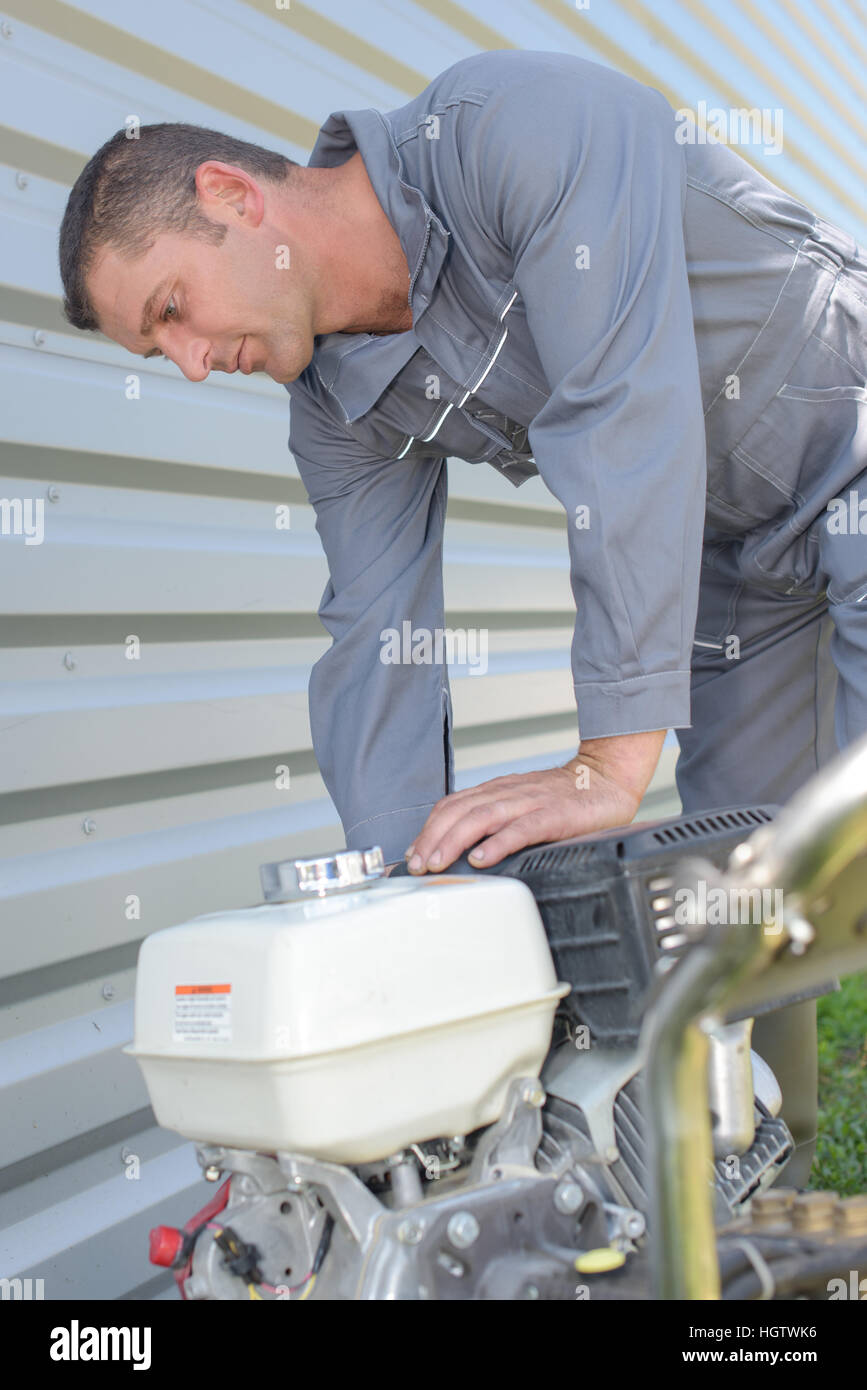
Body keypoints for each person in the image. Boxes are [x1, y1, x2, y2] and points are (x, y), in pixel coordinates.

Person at [58, 49, 867, 1186]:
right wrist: (400, 910)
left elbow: (620, 413)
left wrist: (604, 764)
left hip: (850, 447)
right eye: (161, 350)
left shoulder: (513, 132)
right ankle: (780, 1228)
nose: (192, 365)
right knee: (757, 908)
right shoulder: (335, 411)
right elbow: (376, 636)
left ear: (233, 198)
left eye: (175, 311)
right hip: (732, 566)